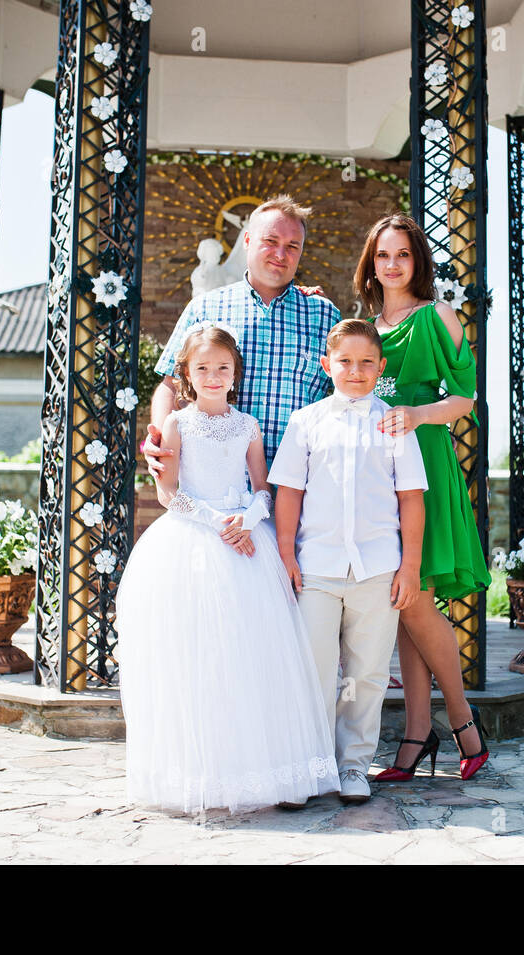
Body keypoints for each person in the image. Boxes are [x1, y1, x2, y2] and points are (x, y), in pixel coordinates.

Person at [115, 323, 339, 814]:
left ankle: (256, 771)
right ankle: (202, 774)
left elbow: (263, 486)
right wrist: (219, 522)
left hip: (246, 545)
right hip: (193, 542)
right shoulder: (177, 424)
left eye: (222, 368)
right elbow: (168, 493)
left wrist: (250, 518)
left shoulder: (249, 425)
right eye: (203, 369)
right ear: (187, 376)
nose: (213, 376)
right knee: (198, 658)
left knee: (252, 657)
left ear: (235, 372)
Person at [353, 213, 492, 782]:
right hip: (376, 475)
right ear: (371, 263)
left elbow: (465, 396)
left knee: (414, 597)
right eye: (383, 255)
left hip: (426, 462)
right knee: (403, 599)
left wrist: (415, 415)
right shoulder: (363, 326)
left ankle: (461, 722)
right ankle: (416, 734)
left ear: (418, 262)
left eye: (403, 255)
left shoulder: (438, 316)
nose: (392, 265)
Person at [268, 319, 429, 805]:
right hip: (317, 567)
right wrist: (285, 553)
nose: (355, 371)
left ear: (380, 367)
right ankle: (309, 765)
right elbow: (289, 493)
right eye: (345, 361)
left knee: (366, 673)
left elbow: (411, 499)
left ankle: (353, 765)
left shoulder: (394, 424)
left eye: (366, 362)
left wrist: (410, 566)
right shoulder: (306, 422)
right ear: (327, 365)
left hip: (378, 568)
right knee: (314, 669)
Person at [144, 195, 339, 475]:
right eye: (270, 242)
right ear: (247, 241)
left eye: (292, 246)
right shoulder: (206, 307)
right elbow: (171, 386)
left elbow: (341, 395)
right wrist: (161, 444)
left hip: (299, 488)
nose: (280, 254)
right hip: (215, 483)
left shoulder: (325, 315)